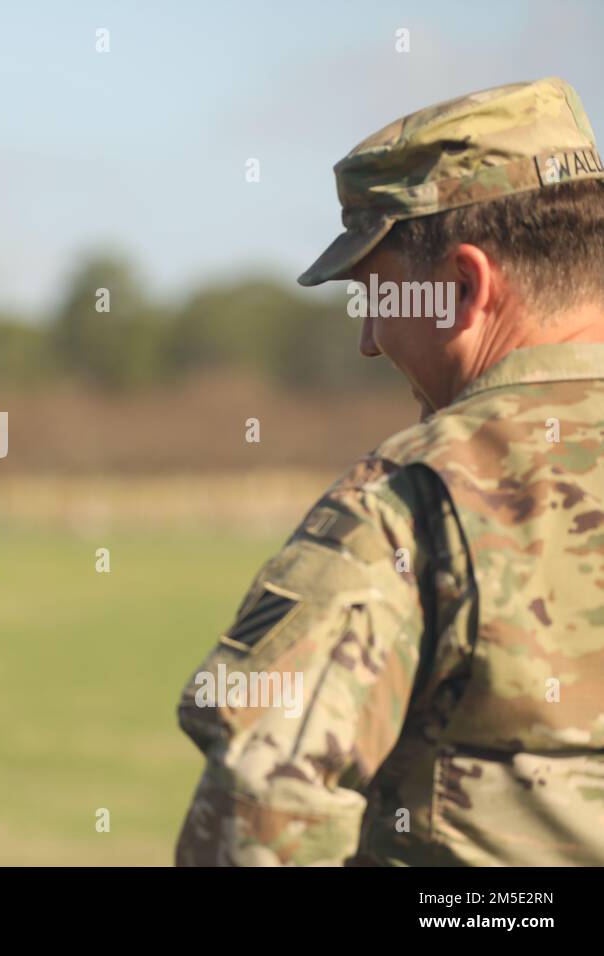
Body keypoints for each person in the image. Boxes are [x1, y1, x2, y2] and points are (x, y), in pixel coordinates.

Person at [175, 76, 604, 866]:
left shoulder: (416, 495)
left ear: (466, 287)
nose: (370, 339)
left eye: (377, 294)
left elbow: (261, 821)